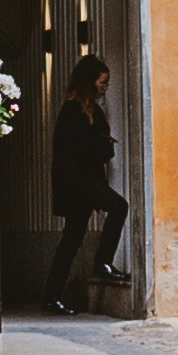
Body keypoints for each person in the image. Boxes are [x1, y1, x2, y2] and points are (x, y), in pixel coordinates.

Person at [48, 55, 127, 313]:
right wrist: (103, 145)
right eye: (103, 82)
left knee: (70, 241)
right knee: (119, 207)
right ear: (90, 82)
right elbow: (81, 150)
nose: (105, 87)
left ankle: (51, 296)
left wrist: (102, 144)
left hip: (79, 183)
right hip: (80, 183)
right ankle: (102, 262)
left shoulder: (87, 111)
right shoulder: (74, 111)